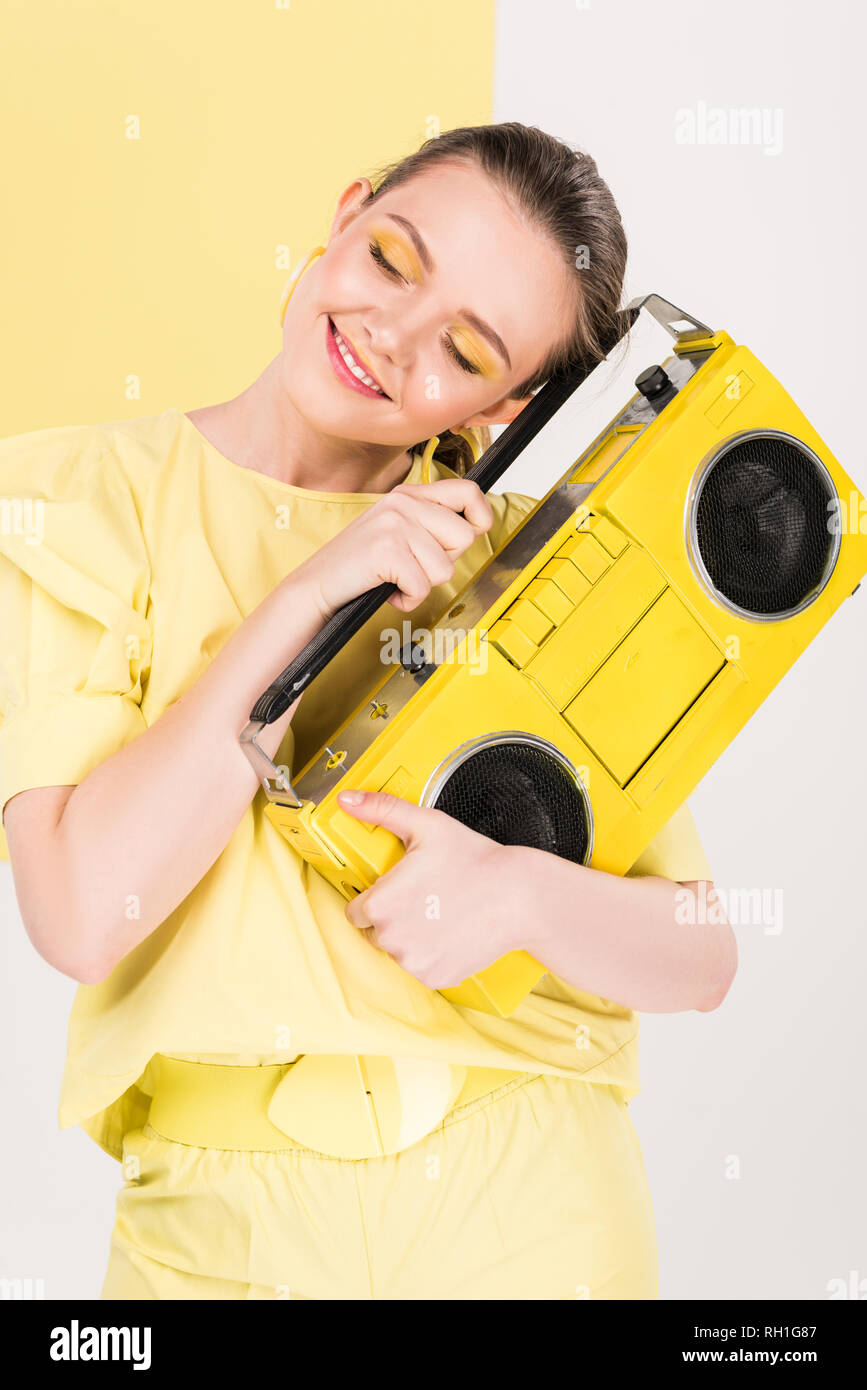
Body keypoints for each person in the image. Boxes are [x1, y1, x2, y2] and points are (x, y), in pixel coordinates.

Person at [0, 122, 736, 1300]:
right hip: (216, 1225)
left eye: (464, 347)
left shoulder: (532, 563)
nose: (390, 336)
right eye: (394, 258)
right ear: (347, 212)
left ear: (510, 408)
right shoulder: (84, 503)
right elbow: (84, 910)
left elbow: (702, 948)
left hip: (531, 1203)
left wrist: (516, 895)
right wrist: (310, 596)